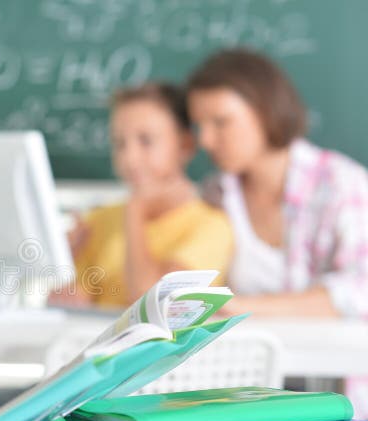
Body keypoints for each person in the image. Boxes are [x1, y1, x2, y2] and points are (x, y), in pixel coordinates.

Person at [188, 48, 368, 319]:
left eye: (221, 122)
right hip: (240, 356)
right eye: (199, 126)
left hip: (331, 357)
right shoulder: (215, 193)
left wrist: (239, 308)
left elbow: (360, 289)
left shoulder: (341, 182)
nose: (205, 141)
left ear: (265, 110)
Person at [52, 82, 233, 308]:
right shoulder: (98, 221)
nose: (130, 159)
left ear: (185, 145)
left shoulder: (211, 225)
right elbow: (67, 306)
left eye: (146, 141)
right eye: (119, 144)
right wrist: (64, 260)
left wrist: (134, 211)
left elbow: (152, 307)